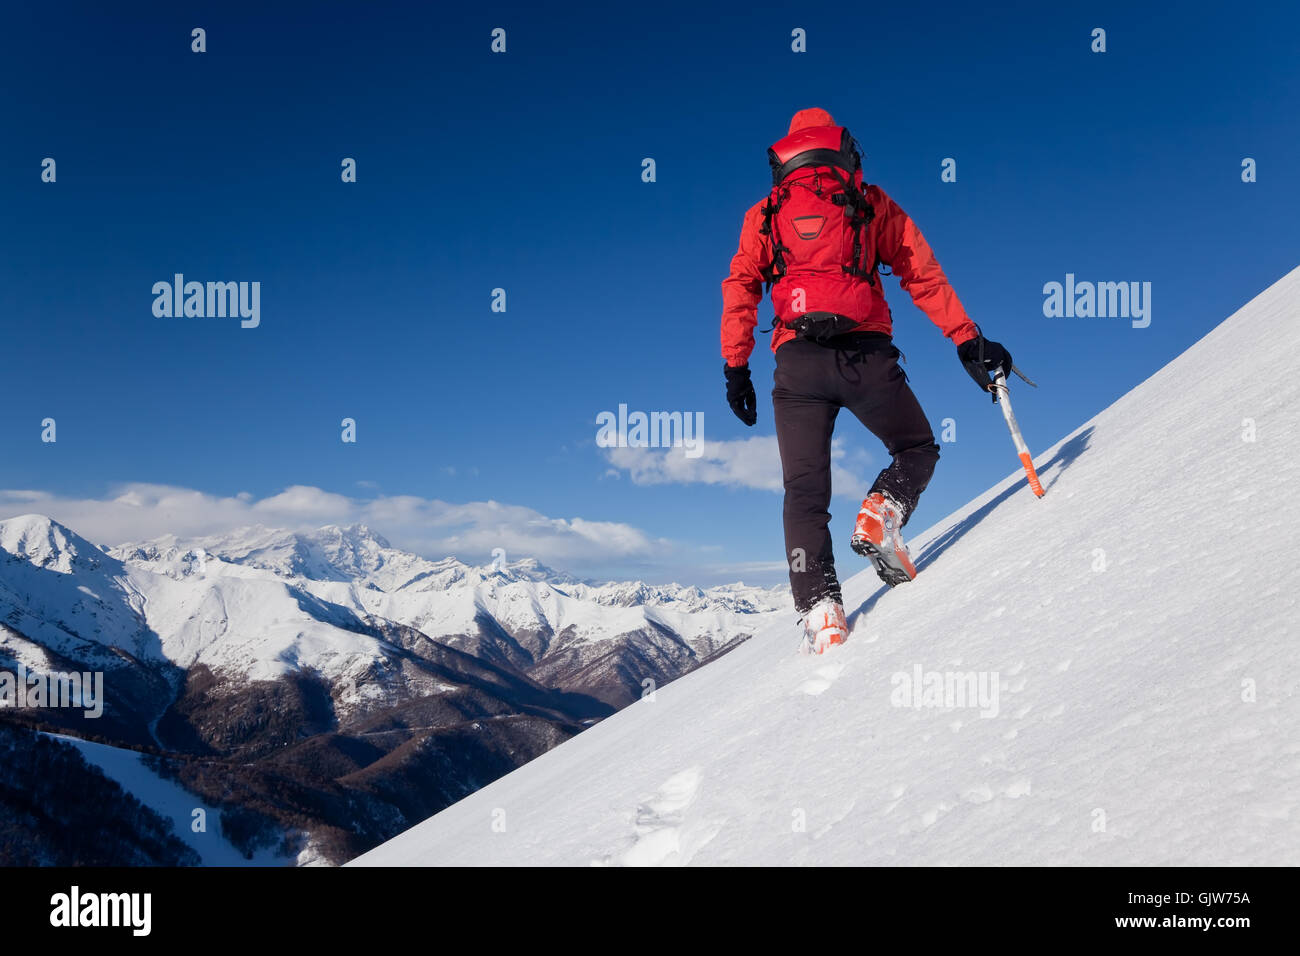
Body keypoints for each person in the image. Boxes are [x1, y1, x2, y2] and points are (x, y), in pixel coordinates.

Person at [720, 107, 1014, 654]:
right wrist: (966, 339)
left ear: (786, 158)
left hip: (797, 366)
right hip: (867, 359)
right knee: (916, 447)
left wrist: (736, 367)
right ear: (843, 151)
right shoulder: (868, 201)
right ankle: (884, 508)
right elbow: (920, 272)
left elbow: (740, 287)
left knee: (804, 494)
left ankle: (822, 612)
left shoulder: (764, 214)